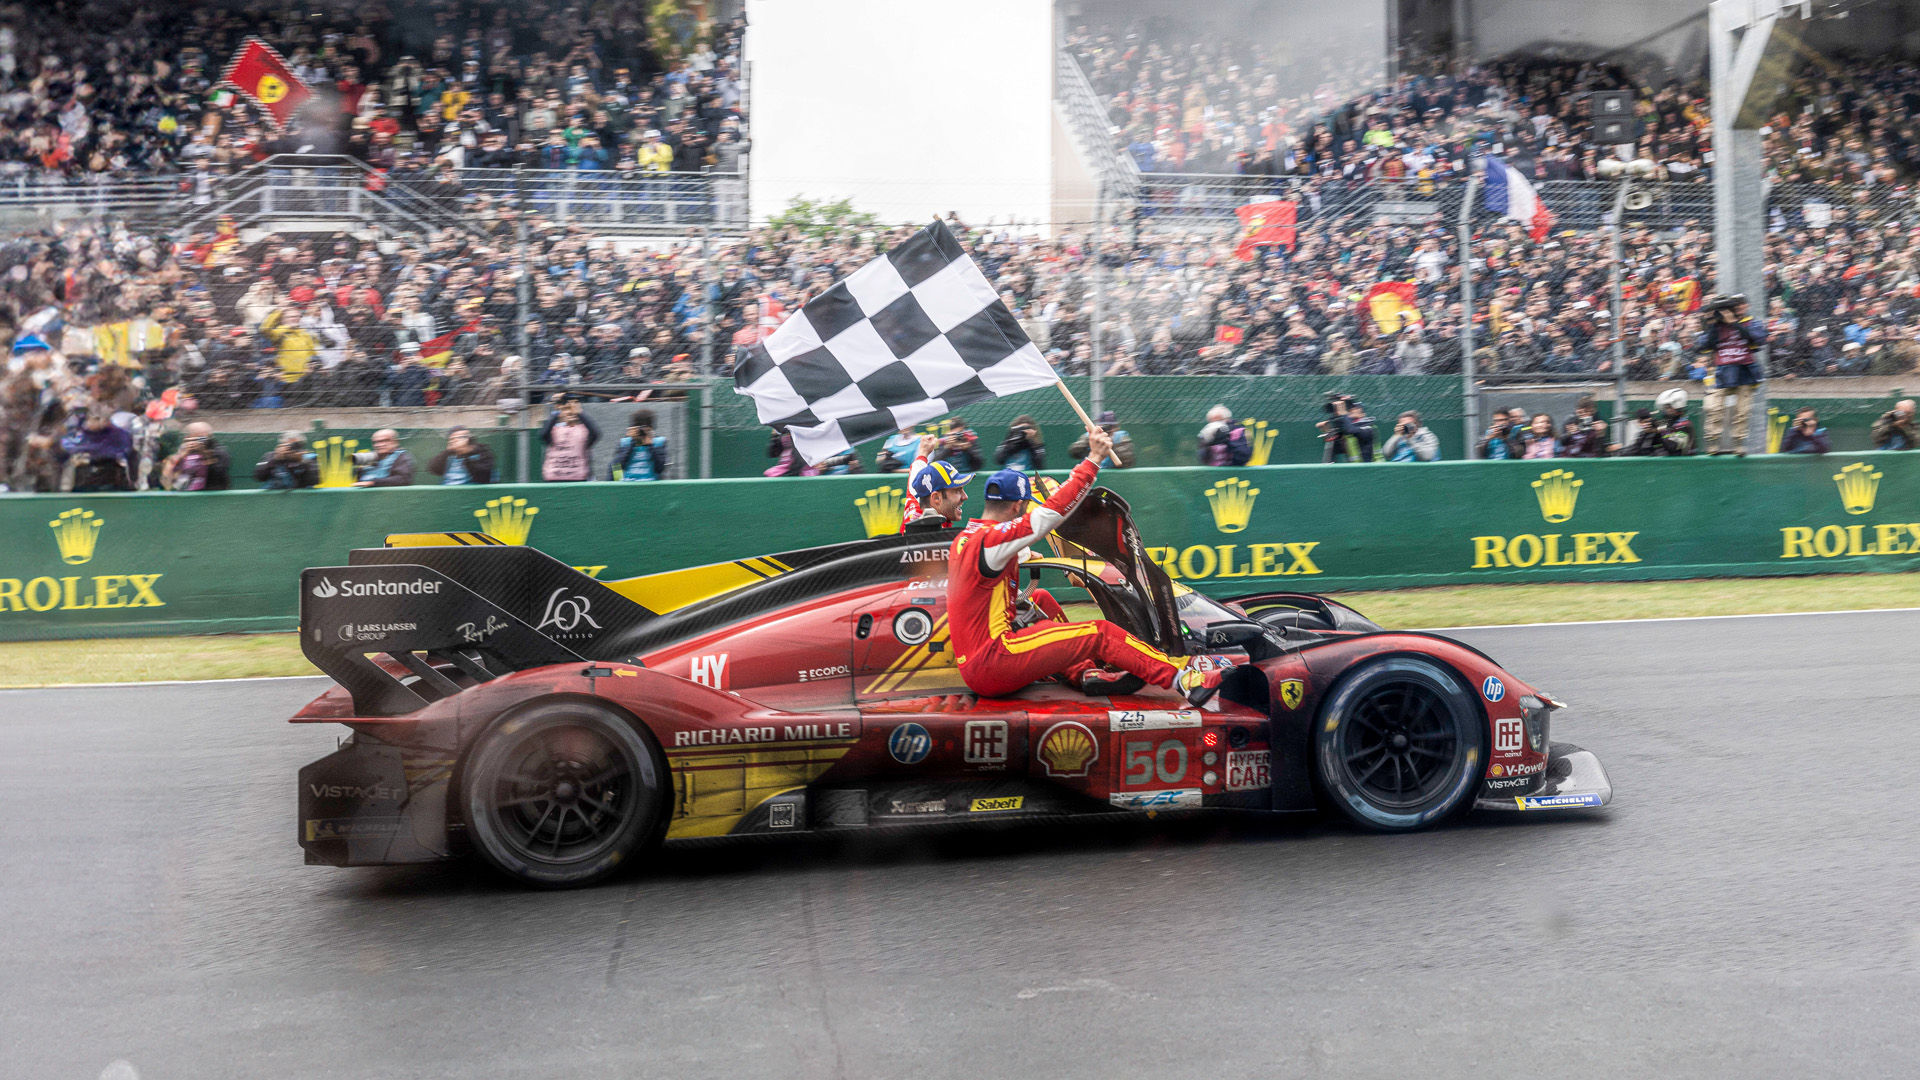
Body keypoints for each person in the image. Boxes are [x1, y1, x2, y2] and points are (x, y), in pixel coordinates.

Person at [945, 430, 1231, 706]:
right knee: (1100, 633)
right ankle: (1186, 681)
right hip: (994, 660)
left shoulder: (968, 539)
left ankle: (1082, 671)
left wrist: (1022, 555)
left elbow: (991, 566)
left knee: (1041, 599)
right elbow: (1051, 513)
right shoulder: (994, 541)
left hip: (977, 662)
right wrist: (1093, 459)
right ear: (1016, 506)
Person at [1694, 294, 1766, 455]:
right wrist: (1713, 323)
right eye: (1734, 306)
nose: (1737, 308)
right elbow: (1702, 345)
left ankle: (1739, 443)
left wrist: (1734, 323)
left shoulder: (1751, 323)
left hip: (1745, 372)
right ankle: (1712, 441)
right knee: (1714, 408)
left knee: (1742, 411)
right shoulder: (1716, 326)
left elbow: (1758, 339)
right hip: (1721, 372)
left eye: (1740, 304)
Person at [901, 434, 970, 533]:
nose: (965, 496)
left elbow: (917, 468)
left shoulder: (916, 497)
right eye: (957, 491)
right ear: (936, 498)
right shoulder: (933, 536)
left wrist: (923, 453)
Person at [59, 405, 136, 492]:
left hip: (112, 479)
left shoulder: (117, 434)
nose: (101, 422)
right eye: (96, 419)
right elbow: (68, 446)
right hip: (84, 482)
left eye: (104, 419)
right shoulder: (79, 434)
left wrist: (103, 454)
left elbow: (125, 448)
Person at [540, 393, 599, 481]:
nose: (570, 412)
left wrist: (580, 413)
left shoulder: (584, 431)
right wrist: (557, 412)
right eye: (566, 409)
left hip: (578, 480)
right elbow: (543, 434)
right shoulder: (554, 431)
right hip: (554, 480)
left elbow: (596, 433)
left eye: (573, 409)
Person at [160, 421, 232, 491]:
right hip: (185, 491)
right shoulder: (183, 450)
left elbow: (218, 472)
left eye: (201, 438)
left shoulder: (218, 451)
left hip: (211, 492)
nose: (196, 441)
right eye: (192, 438)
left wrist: (203, 452)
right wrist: (183, 455)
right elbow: (169, 475)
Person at [1622, 389, 1696, 457]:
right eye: (1665, 407)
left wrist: (1658, 431)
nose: (1665, 410)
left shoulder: (1684, 425)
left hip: (1683, 464)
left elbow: (1672, 446)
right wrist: (1649, 432)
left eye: (1668, 407)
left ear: (1677, 407)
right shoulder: (1667, 423)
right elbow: (1644, 447)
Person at [610, 409, 671, 481]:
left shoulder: (658, 442)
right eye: (638, 429)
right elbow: (616, 467)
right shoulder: (625, 443)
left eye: (645, 430)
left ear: (651, 429)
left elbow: (660, 469)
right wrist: (631, 444)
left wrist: (650, 445)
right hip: (628, 484)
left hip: (651, 484)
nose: (641, 432)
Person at [253, 431, 320, 490]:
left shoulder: (309, 457)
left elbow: (315, 480)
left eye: (295, 445)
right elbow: (259, 477)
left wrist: (302, 462)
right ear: (281, 445)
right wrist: (275, 459)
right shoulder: (271, 456)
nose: (292, 448)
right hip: (274, 497)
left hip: (302, 497)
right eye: (288, 446)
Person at [1319, 395, 1375, 463]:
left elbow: (1351, 430)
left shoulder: (1368, 426)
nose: (1349, 411)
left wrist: (1344, 416)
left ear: (1362, 412)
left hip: (1374, 467)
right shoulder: (1345, 430)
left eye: (1352, 408)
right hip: (1357, 468)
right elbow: (1334, 453)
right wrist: (1327, 432)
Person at [429, 427, 495, 485]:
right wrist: (447, 452)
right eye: (452, 439)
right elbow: (434, 469)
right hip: (448, 491)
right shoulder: (448, 455)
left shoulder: (481, 453)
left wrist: (466, 455)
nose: (455, 441)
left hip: (471, 492)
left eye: (460, 437)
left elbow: (484, 478)